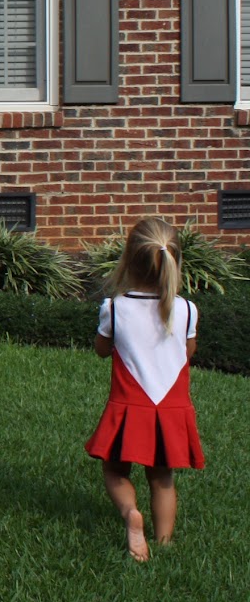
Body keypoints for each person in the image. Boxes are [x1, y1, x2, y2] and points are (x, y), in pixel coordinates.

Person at [85, 217, 203, 562]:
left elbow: (102, 349)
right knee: (162, 477)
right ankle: (164, 541)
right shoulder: (186, 309)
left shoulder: (115, 308)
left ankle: (129, 514)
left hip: (129, 406)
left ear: (128, 260)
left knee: (115, 471)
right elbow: (188, 352)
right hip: (171, 407)